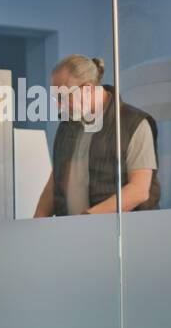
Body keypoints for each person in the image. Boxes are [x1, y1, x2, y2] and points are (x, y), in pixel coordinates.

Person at [33, 54, 160, 217]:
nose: (58, 105)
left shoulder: (133, 123)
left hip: (120, 235)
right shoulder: (68, 124)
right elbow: (54, 182)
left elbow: (139, 191)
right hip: (71, 233)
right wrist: (36, 225)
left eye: (63, 97)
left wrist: (88, 220)